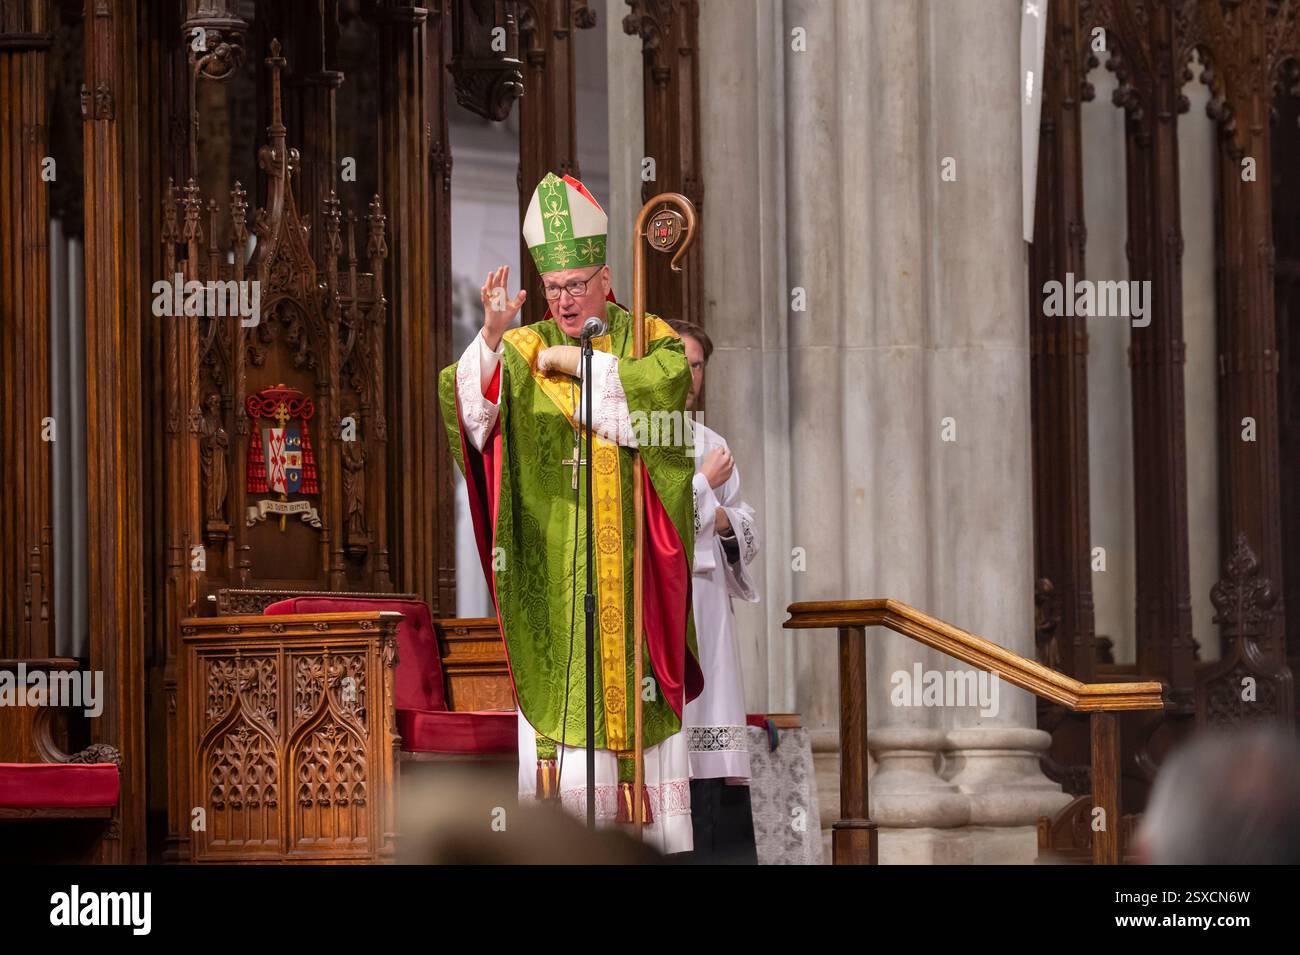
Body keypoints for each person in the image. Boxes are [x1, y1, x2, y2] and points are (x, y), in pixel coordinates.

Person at [438, 172, 702, 853]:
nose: (562, 299)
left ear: (607, 278)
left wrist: (578, 365)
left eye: (575, 285)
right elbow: (472, 416)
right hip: (553, 579)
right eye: (553, 288)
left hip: (630, 578)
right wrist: (493, 339)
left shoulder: (649, 337)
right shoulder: (522, 352)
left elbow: (662, 397)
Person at [670, 319, 762, 864]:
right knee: (673, 750)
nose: (688, 374)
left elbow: (742, 517)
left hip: (708, 604)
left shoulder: (714, 443)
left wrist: (726, 523)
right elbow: (657, 524)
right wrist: (704, 484)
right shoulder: (641, 433)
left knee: (711, 747)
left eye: (698, 364)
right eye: (679, 361)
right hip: (664, 604)